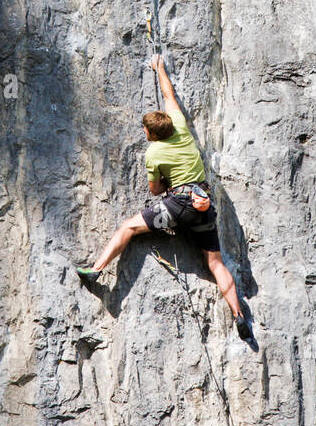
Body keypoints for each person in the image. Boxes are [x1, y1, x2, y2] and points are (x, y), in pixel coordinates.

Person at [77, 56, 251, 339]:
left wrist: (164, 178)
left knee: (129, 228)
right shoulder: (180, 125)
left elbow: (155, 191)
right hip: (202, 204)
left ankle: (96, 270)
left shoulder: (154, 153)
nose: (143, 132)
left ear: (151, 133)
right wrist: (159, 68)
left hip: (178, 206)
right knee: (215, 263)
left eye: (145, 130)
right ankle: (238, 315)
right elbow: (169, 94)